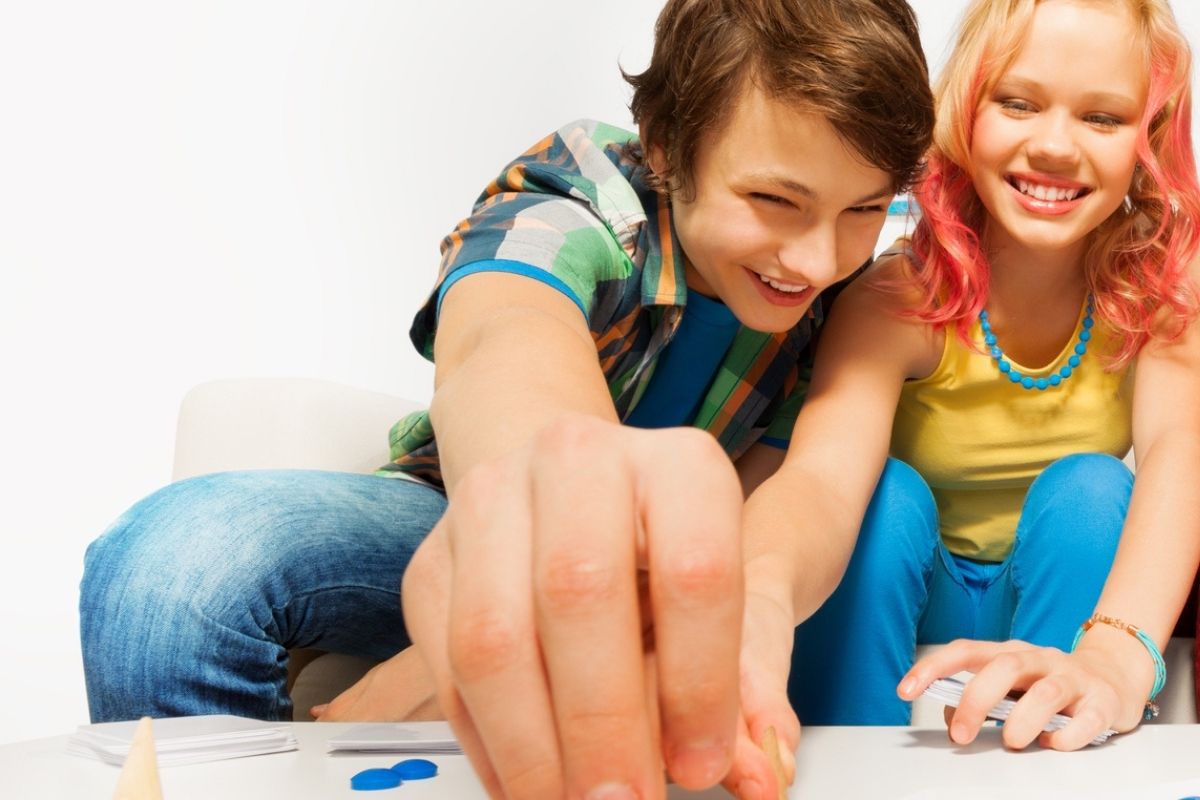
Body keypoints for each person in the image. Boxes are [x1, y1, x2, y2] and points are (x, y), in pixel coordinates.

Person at [78, 1, 934, 797]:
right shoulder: (588, 193)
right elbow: (505, 334)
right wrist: (544, 535)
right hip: (452, 522)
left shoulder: (841, 301)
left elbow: (785, 494)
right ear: (668, 147)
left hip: (675, 576)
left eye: (864, 209)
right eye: (774, 200)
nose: (817, 259)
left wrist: (740, 596)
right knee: (178, 566)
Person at [777, 0, 1200, 751]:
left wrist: (1118, 654)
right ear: (964, 114)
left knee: (1094, 489)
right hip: (908, 600)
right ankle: (845, 748)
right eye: (1017, 103)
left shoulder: (1156, 295)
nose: (1055, 146)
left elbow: (1182, 452)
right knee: (884, 497)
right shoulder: (893, 299)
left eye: (1103, 118)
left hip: (1059, 607)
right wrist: (756, 598)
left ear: (1149, 140)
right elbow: (820, 480)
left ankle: (1059, 731)